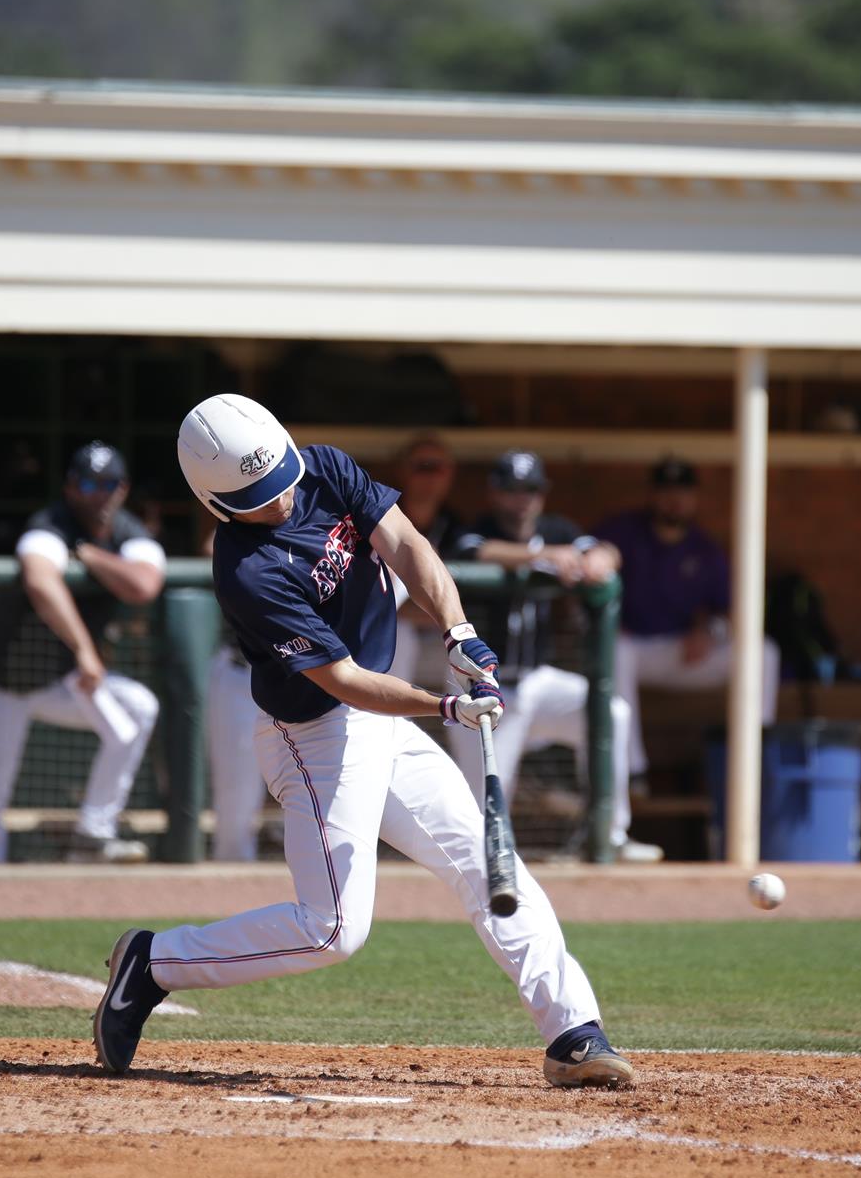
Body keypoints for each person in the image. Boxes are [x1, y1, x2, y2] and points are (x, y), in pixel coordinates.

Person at [92, 394, 634, 1090]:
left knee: (483, 858)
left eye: (280, 480)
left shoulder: (322, 469)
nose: (281, 502)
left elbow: (406, 543)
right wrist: (444, 703)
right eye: (257, 498)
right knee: (332, 930)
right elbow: (344, 680)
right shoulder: (248, 571)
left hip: (379, 716)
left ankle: (574, 1031)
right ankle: (154, 961)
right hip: (311, 733)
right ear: (217, 504)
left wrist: (459, 631)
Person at [0, 442, 165, 864]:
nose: (97, 494)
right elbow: (39, 579)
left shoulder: (125, 531)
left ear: (122, 489)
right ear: (71, 487)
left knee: (138, 709)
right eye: (87, 483)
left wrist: (89, 555)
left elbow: (144, 584)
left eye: (107, 484)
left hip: (56, 679)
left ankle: (94, 831)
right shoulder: (50, 523)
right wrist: (85, 649)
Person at [450, 451, 654, 862]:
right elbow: (471, 551)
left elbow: (601, 549)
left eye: (531, 490)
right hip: (481, 685)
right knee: (482, 814)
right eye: (512, 490)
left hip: (537, 682)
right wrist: (543, 558)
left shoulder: (555, 529)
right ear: (495, 493)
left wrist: (600, 558)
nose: (522, 499)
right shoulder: (474, 529)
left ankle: (610, 834)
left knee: (612, 712)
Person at [590, 456, 779, 798]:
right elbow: (583, 585)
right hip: (635, 650)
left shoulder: (704, 549)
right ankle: (632, 771)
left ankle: (756, 761)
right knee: (615, 650)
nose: (674, 499)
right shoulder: (623, 533)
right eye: (666, 491)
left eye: (683, 491)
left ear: (694, 498)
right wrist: (603, 625)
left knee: (762, 652)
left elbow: (735, 612)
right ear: (653, 495)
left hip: (682, 653)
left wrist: (711, 633)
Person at [201, 526, 269, 862]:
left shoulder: (336, 523)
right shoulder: (244, 517)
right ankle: (233, 891)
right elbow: (208, 545)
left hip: (313, 678)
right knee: (236, 798)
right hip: (243, 672)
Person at [386, 434, 465, 685]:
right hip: (391, 642)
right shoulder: (383, 515)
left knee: (466, 647)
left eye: (437, 468)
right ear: (402, 471)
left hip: (439, 639)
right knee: (399, 634)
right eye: (422, 467)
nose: (430, 477)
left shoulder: (456, 528)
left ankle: (467, 719)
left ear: (450, 475)